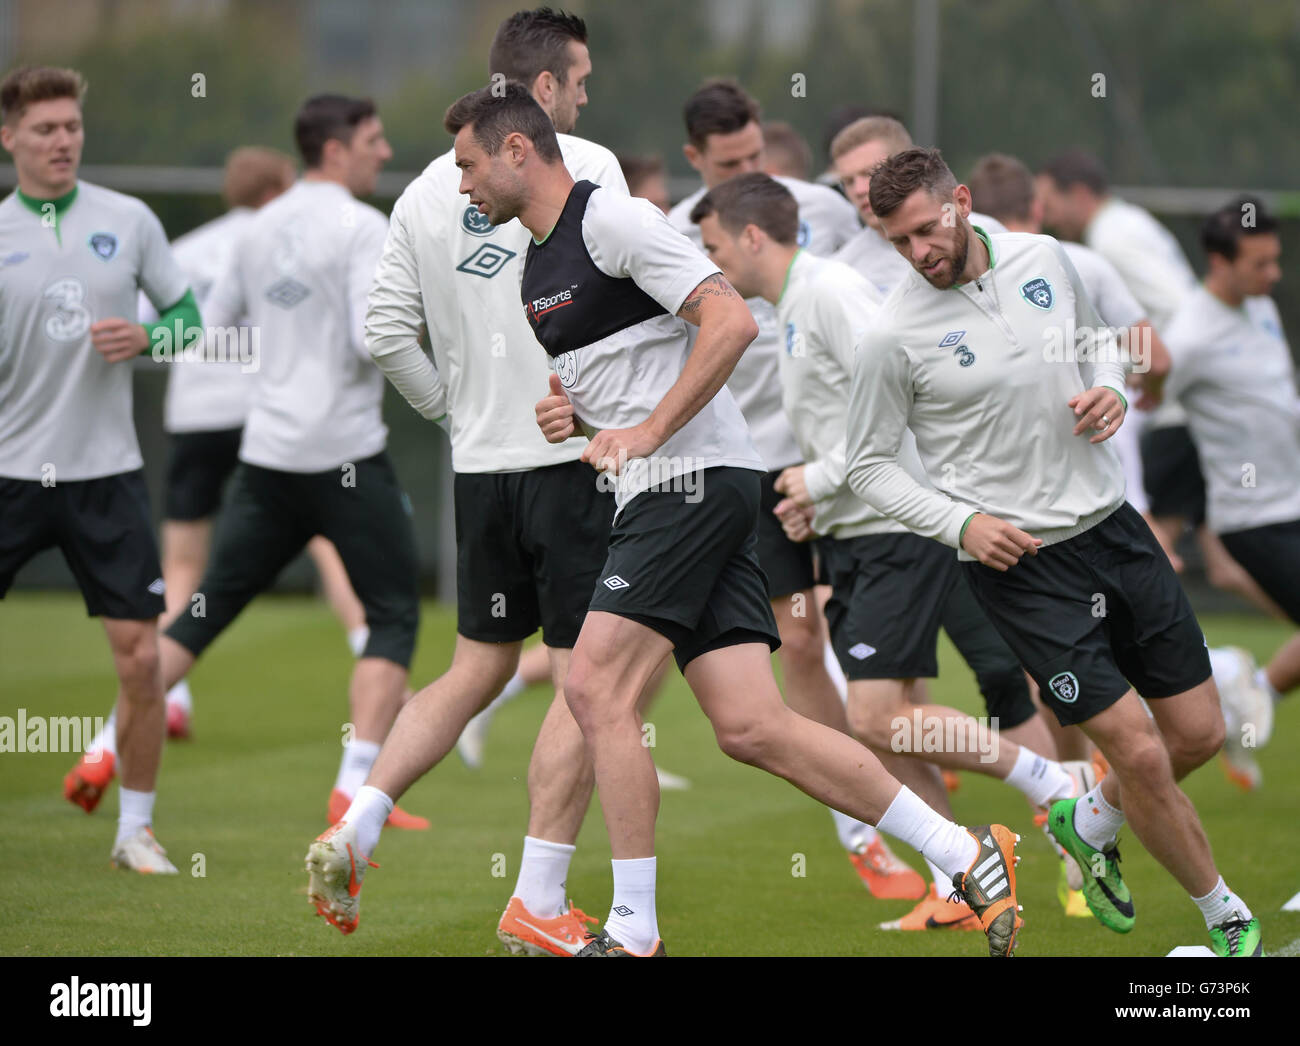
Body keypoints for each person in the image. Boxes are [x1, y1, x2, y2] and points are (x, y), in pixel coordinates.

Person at [408, 83, 1021, 959]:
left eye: (466, 164)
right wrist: (578, 424)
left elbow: (728, 320)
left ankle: (629, 926)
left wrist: (648, 433)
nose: (460, 185)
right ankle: (965, 853)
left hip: (689, 485)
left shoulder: (613, 222)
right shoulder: (531, 263)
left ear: (515, 151)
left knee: (590, 687)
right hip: (690, 485)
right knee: (750, 727)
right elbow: (636, 379)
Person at [847, 147, 1261, 957]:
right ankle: (1224, 916)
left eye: (928, 229)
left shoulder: (1043, 257)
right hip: (1022, 564)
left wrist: (1110, 382)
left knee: (1197, 737)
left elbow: (1102, 342)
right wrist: (960, 525)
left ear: (962, 202)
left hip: (1115, 528)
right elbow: (867, 465)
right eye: (898, 242)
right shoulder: (892, 333)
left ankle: (1088, 817)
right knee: (1137, 747)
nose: (919, 252)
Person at [307, 8, 644, 956]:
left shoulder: (421, 190)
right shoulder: (591, 163)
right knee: (591, 684)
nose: (584, 96)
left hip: (482, 469)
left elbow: (383, 333)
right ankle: (538, 895)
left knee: (476, 667)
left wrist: (453, 413)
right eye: (576, 80)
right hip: (572, 462)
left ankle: (359, 820)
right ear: (542, 92)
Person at [694, 172, 1091, 932]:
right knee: (892, 720)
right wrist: (818, 500)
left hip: (897, 533)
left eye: (712, 247)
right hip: (856, 533)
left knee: (874, 718)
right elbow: (850, 424)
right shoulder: (789, 308)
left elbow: (900, 410)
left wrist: (819, 478)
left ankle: (1055, 783)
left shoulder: (832, 292)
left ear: (751, 238)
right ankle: (963, 876)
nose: (709, 265)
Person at [68, 91, 430, 836]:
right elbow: (373, 341)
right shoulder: (364, 226)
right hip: (346, 460)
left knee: (200, 614)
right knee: (394, 616)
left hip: (266, 459)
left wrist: (282, 354)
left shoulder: (258, 227)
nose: (384, 151)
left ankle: (103, 748)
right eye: (373, 138)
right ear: (334, 148)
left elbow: (217, 330)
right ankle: (352, 793)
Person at [666, 80, 923, 899]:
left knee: (896, 671)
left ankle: (1028, 788)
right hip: (764, 467)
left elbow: (887, 295)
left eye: (756, 154)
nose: (751, 168)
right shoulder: (675, 236)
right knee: (801, 643)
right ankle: (862, 828)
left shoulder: (817, 212)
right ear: (695, 160)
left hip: (850, 471)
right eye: (731, 161)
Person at [968, 153, 1271, 789]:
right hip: (1093, 475)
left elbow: (1153, 352)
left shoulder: (1042, 264)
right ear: (1038, 206)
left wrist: (1134, 380)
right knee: (1104, 645)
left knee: (1083, 653)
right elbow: (1152, 356)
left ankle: (1087, 792)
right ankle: (1090, 793)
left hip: (1081, 487)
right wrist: (1148, 385)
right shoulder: (1083, 259)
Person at [0, 65, 201, 873]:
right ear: (9, 137)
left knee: (142, 657)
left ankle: (135, 832)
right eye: (44, 129)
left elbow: (188, 317)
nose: (62, 141)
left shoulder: (131, 219)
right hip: (9, 473)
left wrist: (151, 338)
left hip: (106, 475)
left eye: (71, 127)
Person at [1037, 149, 1279, 619]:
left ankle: (1166, 657)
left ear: (1079, 193)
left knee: (1149, 546)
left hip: (1175, 408)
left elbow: (1175, 312)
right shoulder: (1127, 223)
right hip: (1180, 404)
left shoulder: (1112, 238)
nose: (1043, 213)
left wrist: (1142, 372)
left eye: (1049, 199)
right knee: (1218, 564)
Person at [1163, 196, 1298, 783]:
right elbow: (1152, 413)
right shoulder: (1188, 336)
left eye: (1276, 261)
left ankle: (1245, 687)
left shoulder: (1262, 307)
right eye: (1259, 264)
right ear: (1219, 261)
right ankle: (1231, 684)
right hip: (1256, 519)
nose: (1273, 276)